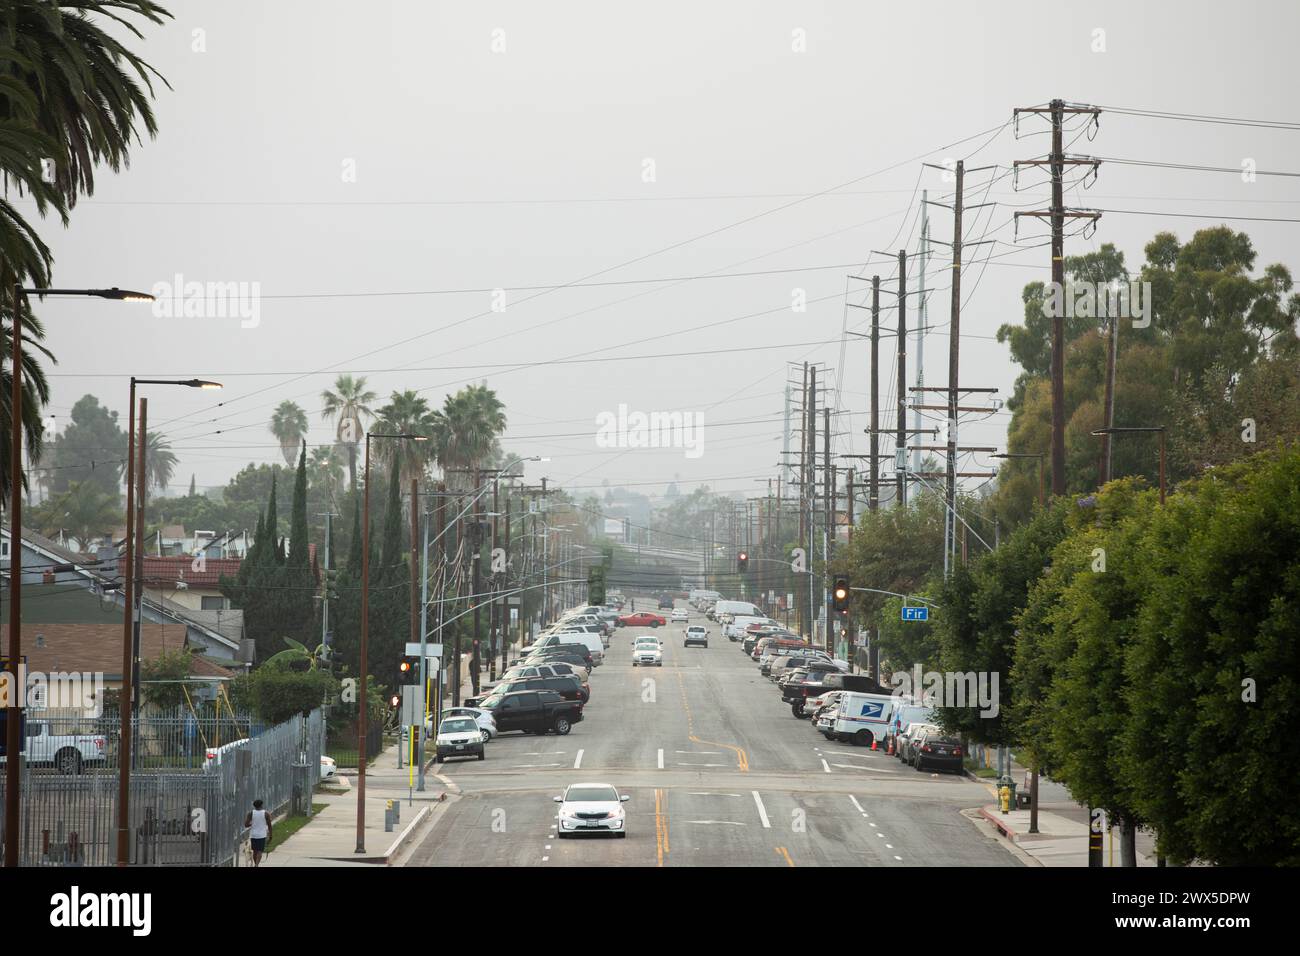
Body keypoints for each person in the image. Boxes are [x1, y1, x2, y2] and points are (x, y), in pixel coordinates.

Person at [245, 799, 272, 867]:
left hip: (253, 835)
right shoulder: (266, 813)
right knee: (260, 851)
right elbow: (269, 825)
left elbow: (246, 824)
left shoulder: (250, 813)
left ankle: (256, 864)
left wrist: (252, 824)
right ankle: (256, 865)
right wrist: (270, 835)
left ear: (254, 806)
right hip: (262, 835)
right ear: (261, 805)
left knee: (255, 851)